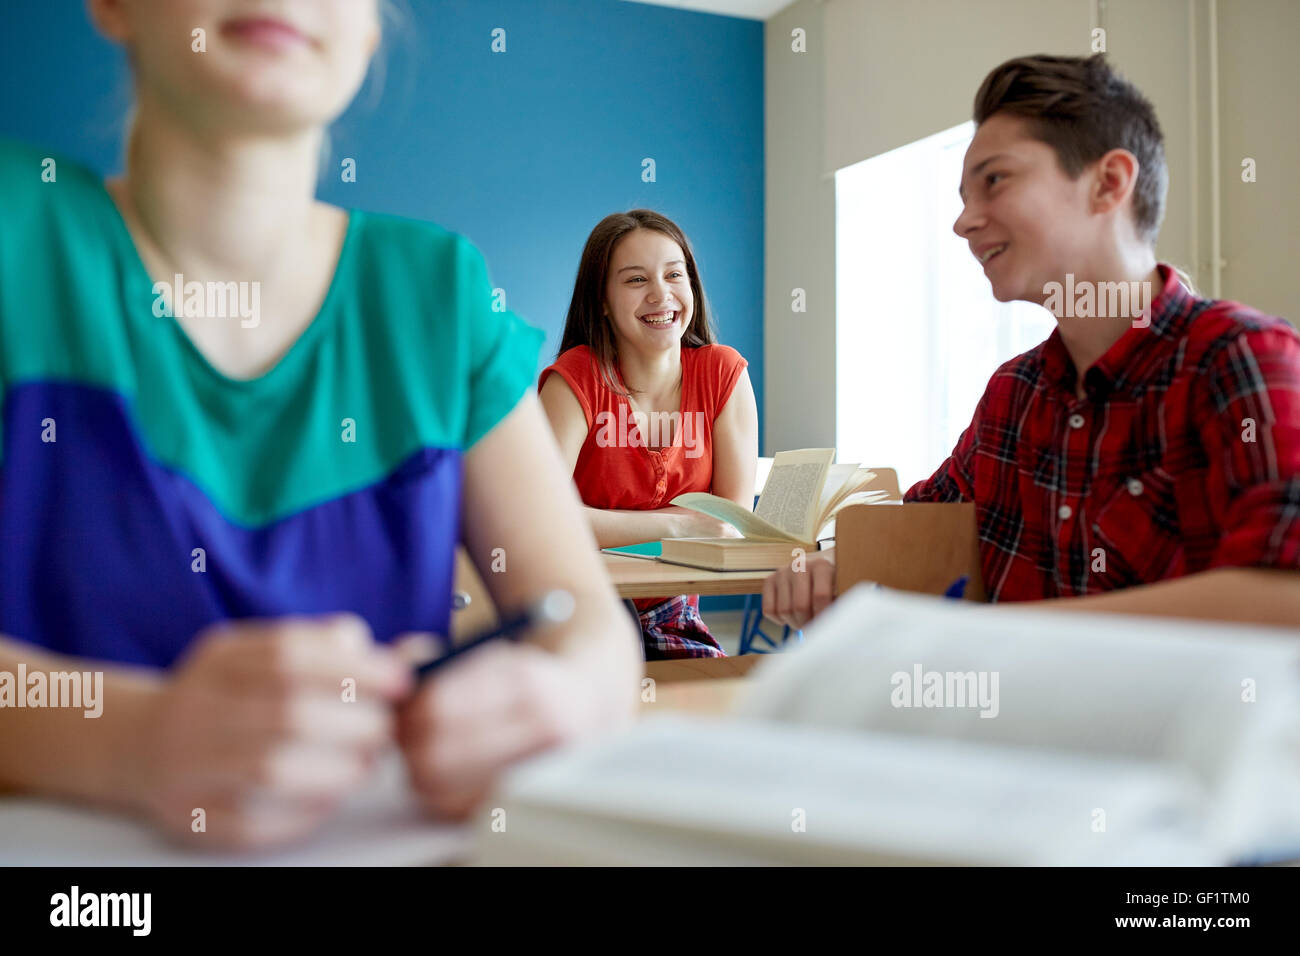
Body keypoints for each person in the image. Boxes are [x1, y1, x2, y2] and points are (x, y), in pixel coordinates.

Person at [0, 0, 640, 849]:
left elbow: (591, 630)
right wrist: (135, 741)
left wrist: (559, 699)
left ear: (369, 31)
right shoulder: (16, 231)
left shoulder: (441, 295)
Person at [763, 53, 1300, 630]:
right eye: (963, 195)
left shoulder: (1243, 358)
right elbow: (922, 522)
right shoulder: (1014, 393)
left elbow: (1283, 598)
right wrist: (832, 564)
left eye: (994, 181)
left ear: (1109, 183)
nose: (963, 221)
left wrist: (1016, 640)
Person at [539, 210, 759, 658]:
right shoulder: (574, 378)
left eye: (674, 275)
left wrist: (602, 525)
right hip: (580, 607)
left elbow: (729, 525)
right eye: (636, 280)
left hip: (674, 613)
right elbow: (548, 519)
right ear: (601, 299)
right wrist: (678, 524)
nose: (661, 295)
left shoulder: (723, 373)